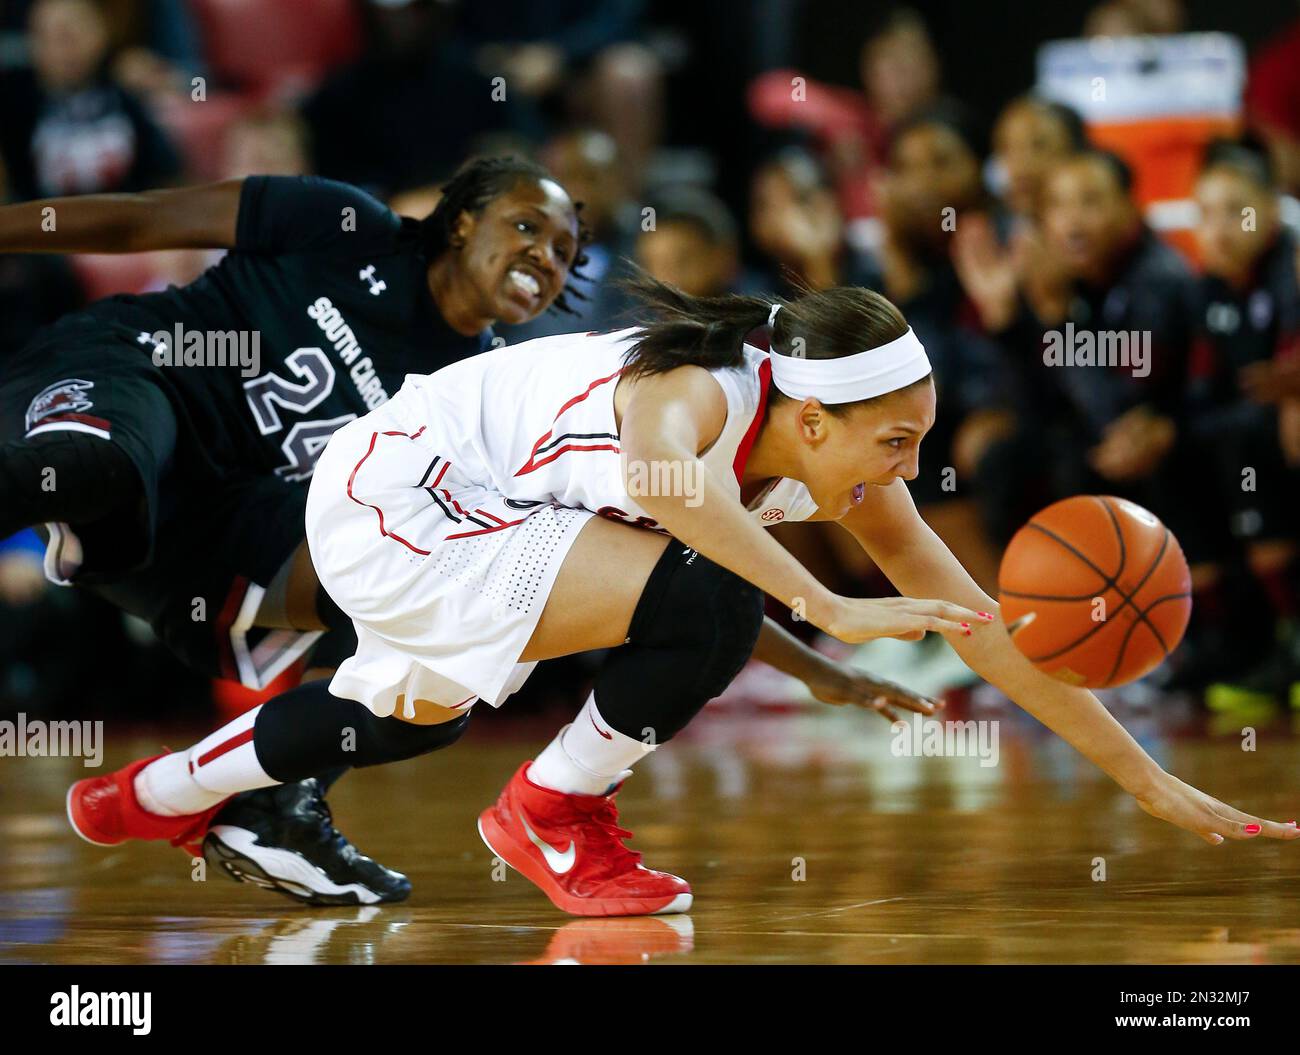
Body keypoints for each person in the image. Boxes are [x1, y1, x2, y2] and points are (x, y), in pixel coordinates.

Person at [69, 274, 1300, 917]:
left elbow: (988, 633)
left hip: (486, 517)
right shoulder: (696, 395)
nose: (906, 473)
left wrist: (1149, 780)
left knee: (402, 718)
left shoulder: (834, 452)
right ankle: (547, 814)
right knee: (700, 587)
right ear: (813, 415)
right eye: (893, 442)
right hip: (402, 492)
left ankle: (149, 795)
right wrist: (834, 611)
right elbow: (688, 523)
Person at [0, 155, 588, 904]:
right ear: (465, 218)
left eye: (565, 253)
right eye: (527, 226)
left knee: (442, 621)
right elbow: (144, 218)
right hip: (134, 375)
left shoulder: (478, 399)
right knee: (100, 468)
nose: (546, 255)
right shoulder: (341, 223)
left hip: (213, 528)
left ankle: (281, 806)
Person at [1184, 141, 1300, 707]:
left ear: (1272, 209)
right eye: (1206, 215)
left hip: (1273, 434)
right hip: (1244, 435)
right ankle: (1229, 640)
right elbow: (1203, 392)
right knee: (1185, 448)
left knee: (1262, 430)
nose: (1220, 229)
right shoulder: (1212, 290)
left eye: (1236, 211)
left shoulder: (1290, 269)